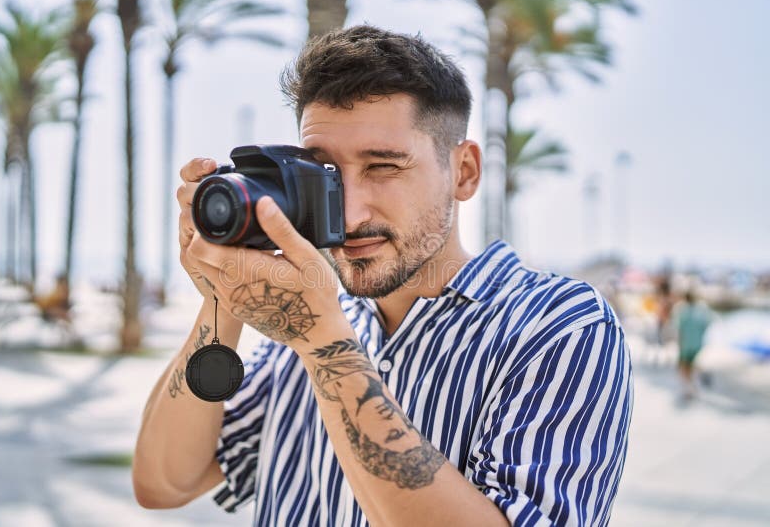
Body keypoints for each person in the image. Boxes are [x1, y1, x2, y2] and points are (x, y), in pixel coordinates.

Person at [132, 26, 633, 526]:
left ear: (464, 172)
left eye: (383, 167)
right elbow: (165, 482)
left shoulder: (560, 327)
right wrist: (225, 295)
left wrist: (322, 340)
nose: (348, 213)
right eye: (324, 172)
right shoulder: (302, 322)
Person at [674, 290, 712, 400]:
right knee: (691, 366)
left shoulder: (683, 311)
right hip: (697, 344)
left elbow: (679, 329)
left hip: (686, 344)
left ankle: (689, 389)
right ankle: (694, 386)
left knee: (683, 368)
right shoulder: (700, 311)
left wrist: (679, 343)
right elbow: (706, 325)